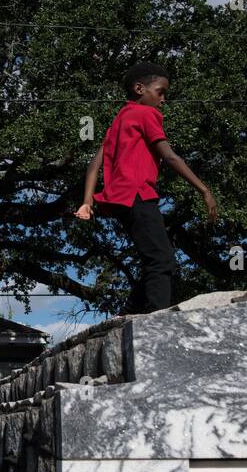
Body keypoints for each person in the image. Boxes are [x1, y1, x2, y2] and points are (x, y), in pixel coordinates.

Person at [75, 62, 217, 313]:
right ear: (140, 88)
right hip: (138, 195)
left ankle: (128, 316)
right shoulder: (145, 114)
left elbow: (93, 166)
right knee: (162, 261)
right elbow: (170, 157)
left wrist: (87, 202)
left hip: (120, 202)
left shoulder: (118, 121)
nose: (163, 100)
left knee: (155, 259)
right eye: (160, 92)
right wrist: (204, 190)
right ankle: (156, 320)